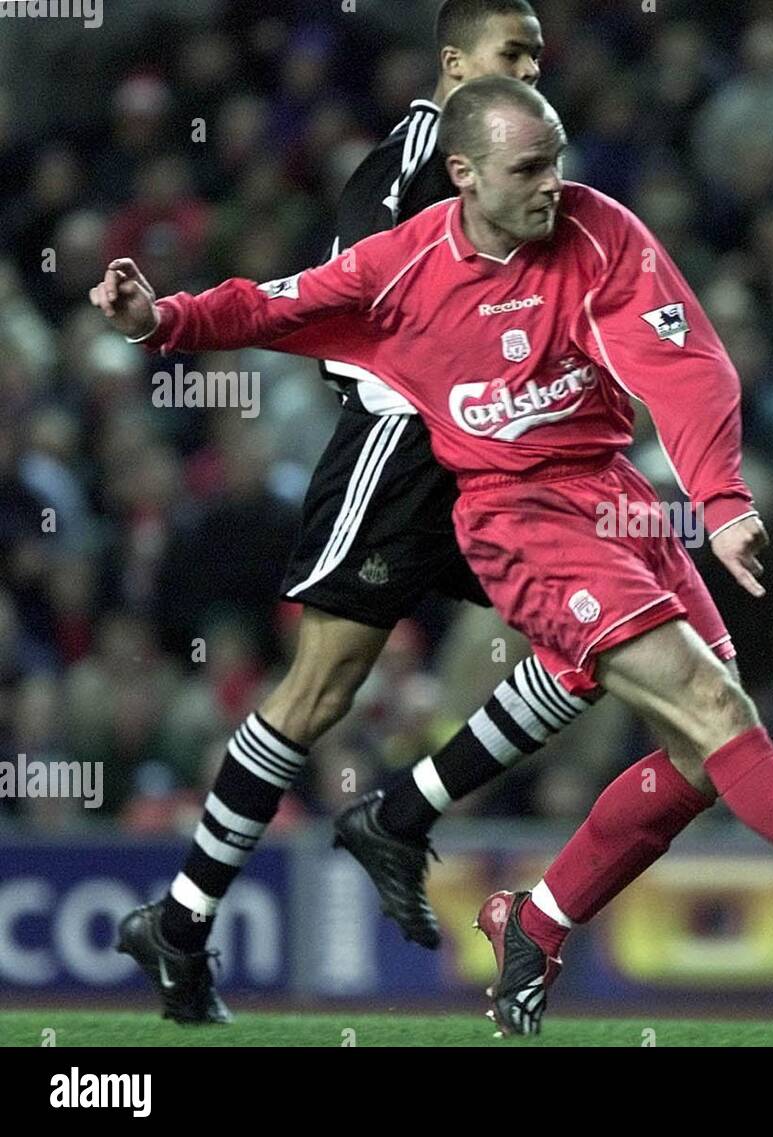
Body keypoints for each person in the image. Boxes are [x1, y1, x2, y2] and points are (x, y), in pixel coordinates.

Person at [91, 77, 773, 1038]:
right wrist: (161, 321)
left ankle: (533, 921)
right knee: (715, 713)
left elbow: (688, 365)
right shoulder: (401, 268)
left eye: (557, 161)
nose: (551, 184)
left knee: (701, 759)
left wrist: (719, 496)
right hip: (519, 518)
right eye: (528, 168)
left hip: (619, 500)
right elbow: (272, 305)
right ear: (463, 174)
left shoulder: (599, 229)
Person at [112, 0, 602, 1027]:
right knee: (320, 690)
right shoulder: (417, 152)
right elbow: (351, 289)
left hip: (491, 453)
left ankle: (400, 812)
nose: (528, 69)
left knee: (595, 638)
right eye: (511, 52)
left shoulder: (530, 173)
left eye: (537, 57)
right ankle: (183, 924)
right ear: (453, 61)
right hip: (402, 450)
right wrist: (170, 318)